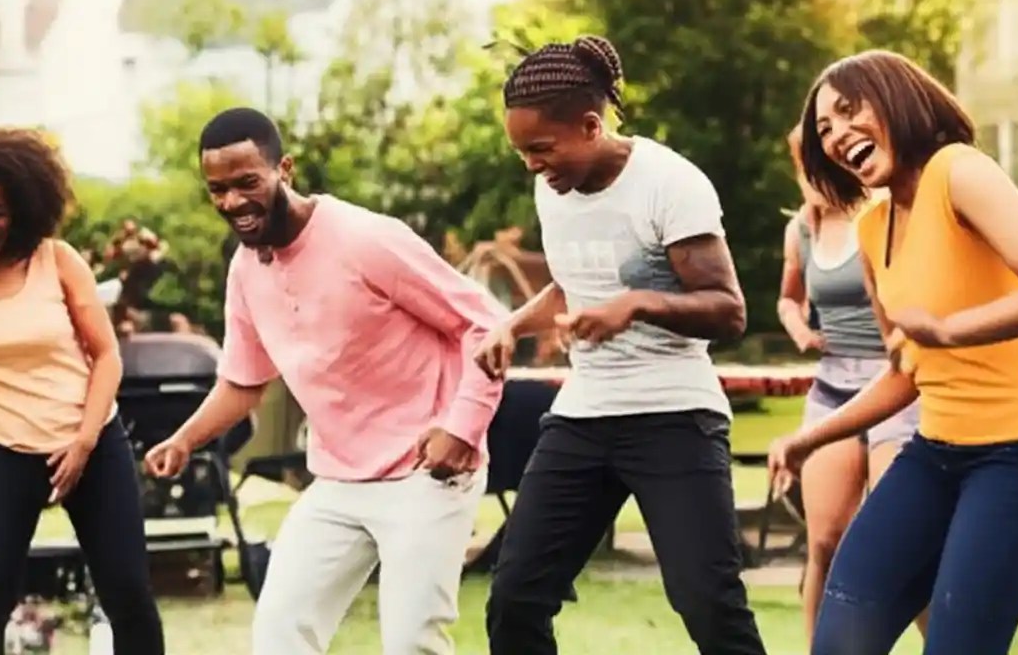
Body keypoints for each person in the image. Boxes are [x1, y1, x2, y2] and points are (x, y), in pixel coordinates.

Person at [142, 107, 506, 655]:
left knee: (413, 644)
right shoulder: (246, 269)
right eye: (218, 189)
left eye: (247, 183)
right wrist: (184, 439)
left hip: (424, 475)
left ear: (283, 169)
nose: (233, 202)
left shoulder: (365, 239)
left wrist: (463, 428)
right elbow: (245, 381)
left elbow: (483, 321)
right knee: (280, 636)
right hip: (337, 480)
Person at [767, 50, 1018, 655]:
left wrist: (949, 330)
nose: (836, 136)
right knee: (840, 641)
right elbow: (904, 372)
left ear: (896, 97)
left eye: (848, 111)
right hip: (934, 454)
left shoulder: (959, 171)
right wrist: (810, 438)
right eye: (823, 130)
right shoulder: (870, 227)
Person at [477, 35, 767, 655]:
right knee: (516, 598)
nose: (531, 163)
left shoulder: (669, 183)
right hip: (584, 415)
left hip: (674, 415)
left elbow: (728, 309)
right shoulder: (552, 186)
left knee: (707, 602)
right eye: (522, 151)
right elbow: (574, 283)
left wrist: (637, 304)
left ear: (590, 125)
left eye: (541, 148)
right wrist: (512, 324)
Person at [0, 128, 164, 655]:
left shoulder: (55, 260)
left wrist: (81, 444)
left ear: (23, 208)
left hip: (90, 443)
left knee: (128, 591)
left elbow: (106, 356)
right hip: (0, 450)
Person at [775, 125, 923, 645]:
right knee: (825, 542)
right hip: (833, 389)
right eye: (802, 165)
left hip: (898, 390)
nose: (809, 177)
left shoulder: (885, 218)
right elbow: (789, 298)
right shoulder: (803, 228)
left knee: (901, 543)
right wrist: (798, 328)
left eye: (818, 163)